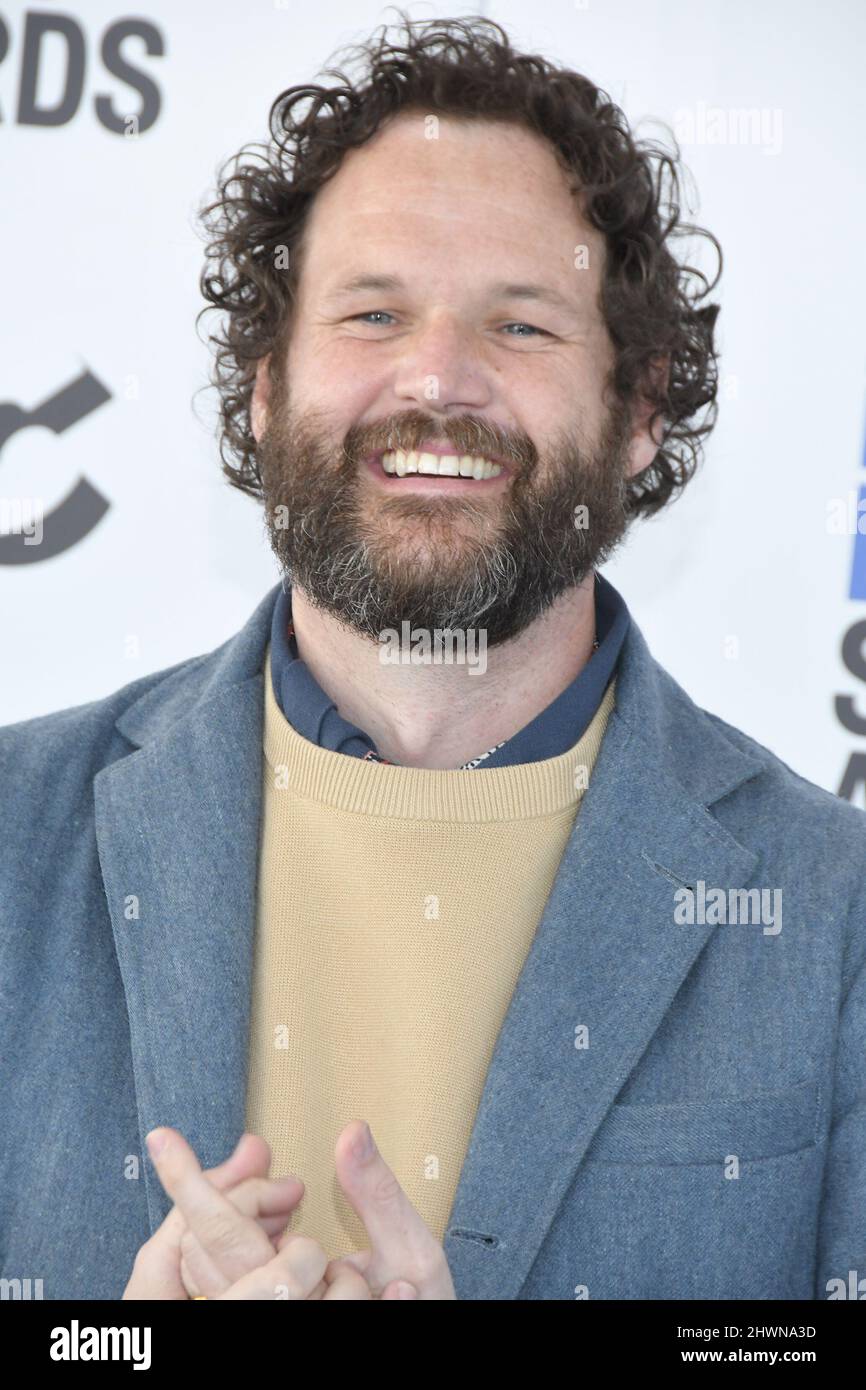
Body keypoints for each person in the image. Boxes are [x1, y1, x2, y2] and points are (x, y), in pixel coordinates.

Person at [2, 12, 864, 1302]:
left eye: (521, 327)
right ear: (261, 390)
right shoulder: (19, 831)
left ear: (639, 412)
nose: (438, 380)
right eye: (371, 313)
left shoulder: (833, 910)